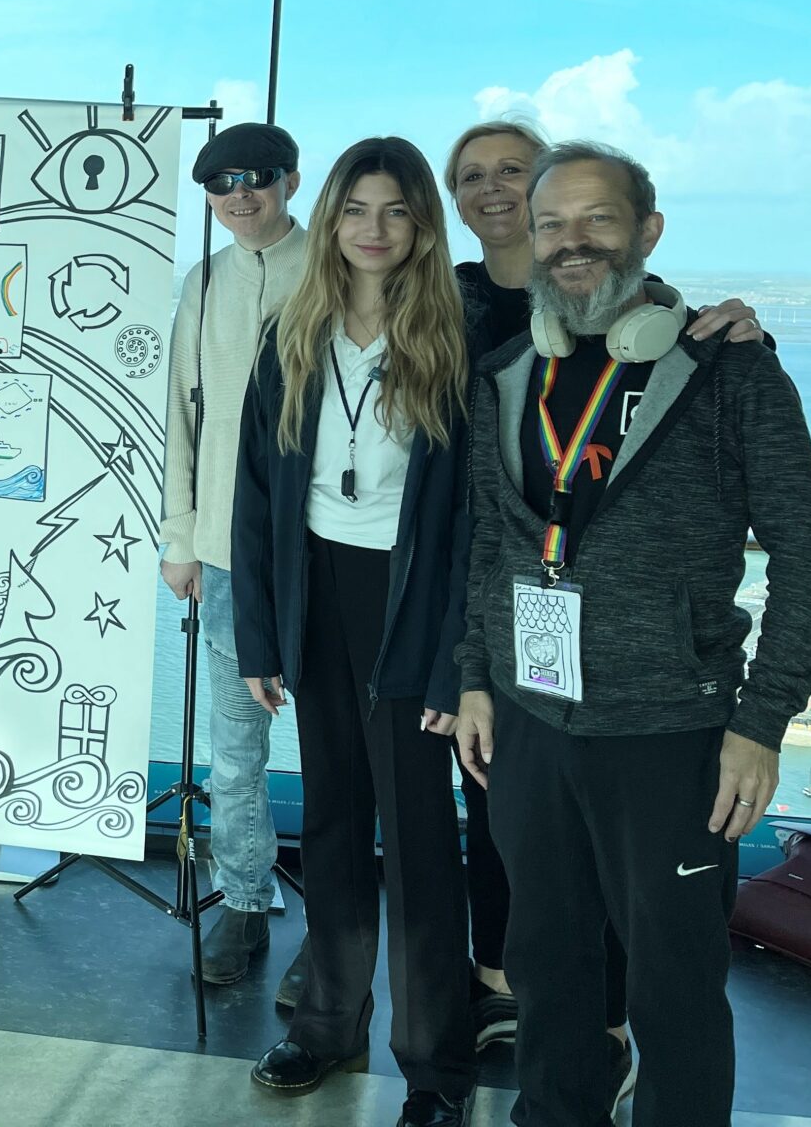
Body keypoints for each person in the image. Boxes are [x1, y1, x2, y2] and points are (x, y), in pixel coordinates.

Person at [454, 142, 811, 1127]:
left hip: (674, 739)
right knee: (546, 976)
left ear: (646, 233)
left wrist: (758, 723)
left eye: (596, 221)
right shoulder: (503, 379)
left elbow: (809, 561)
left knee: (671, 993)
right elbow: (485, 553)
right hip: (529, 727)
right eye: (551, 225)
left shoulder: (728, 374)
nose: (570, 244)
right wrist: (472, 679)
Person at [233, 137, 477, 1127]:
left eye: (394, 212)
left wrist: (454, 660)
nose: (372, 230)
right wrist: (260, 639)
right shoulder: (291, 338)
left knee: (418, 843)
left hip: (407, 604)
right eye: (354, 210)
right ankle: (326, 1026)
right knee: (329, 821)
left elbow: (468, 528)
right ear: (329, 220)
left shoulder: (457, 345)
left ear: (420, 227)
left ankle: (431, 1071)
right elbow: (253, 503)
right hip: (314, 597)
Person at [158, 122, 313, 999]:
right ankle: (245, 905)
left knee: (336, 750)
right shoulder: (205, 280)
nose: (239, 195)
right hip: (220, 553)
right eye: (220, 183)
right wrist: (179, 539)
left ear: (290, 180)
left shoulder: (335, 268)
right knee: (234, 754)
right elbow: (183, 409)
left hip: (324, 547)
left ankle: (339, 929)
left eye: (256, 178)